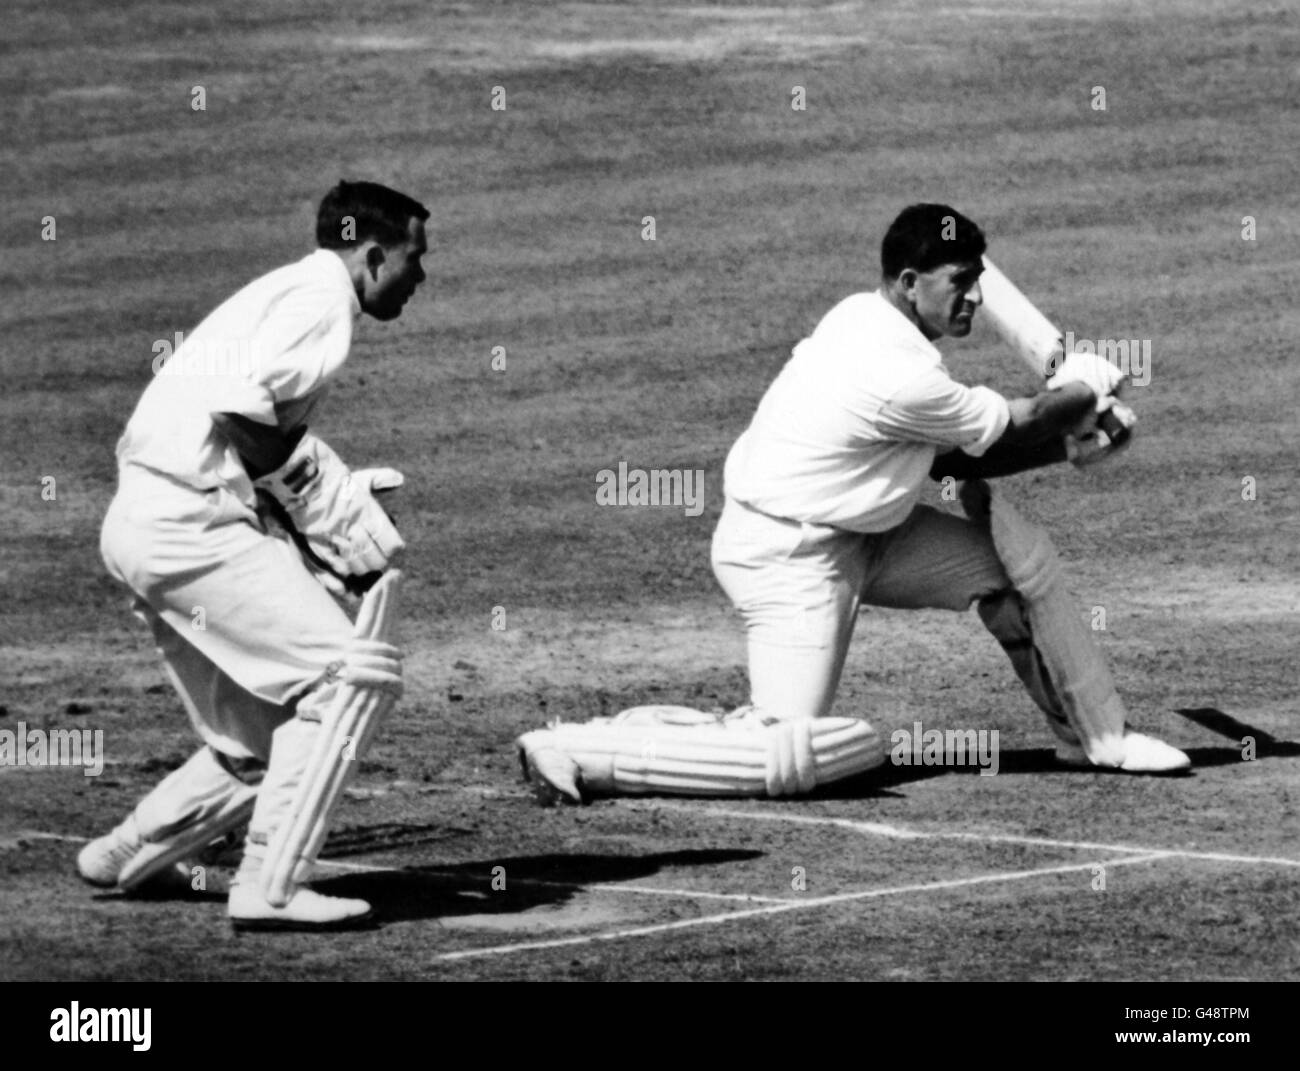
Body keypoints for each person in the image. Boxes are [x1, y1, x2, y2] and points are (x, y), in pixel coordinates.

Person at [518, 203, 1188, 805]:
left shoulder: (866, 317)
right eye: (959, 281)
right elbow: (1019, 421)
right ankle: (578, 746)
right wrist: (1081, 392)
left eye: (977, 279)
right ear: (907, 283)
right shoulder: (896, 375)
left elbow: (954, 454)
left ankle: (1095, 737)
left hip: (870, 533)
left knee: (1011, 572)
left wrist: (1073, 441)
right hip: (789, 555)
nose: (976, 298)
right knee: (782, 752)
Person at [78, 180, 429, 929]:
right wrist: (324, 506)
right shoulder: (320, 303)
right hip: (188, 524)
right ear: (371, 255)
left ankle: (132, 849)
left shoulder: (285, 291)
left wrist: (312, 503)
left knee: (260, 735)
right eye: (413, 258)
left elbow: (244, 427)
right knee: (345, 677)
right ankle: (271, 885)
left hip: (142, 524)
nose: (420, 277)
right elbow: (240, 411)